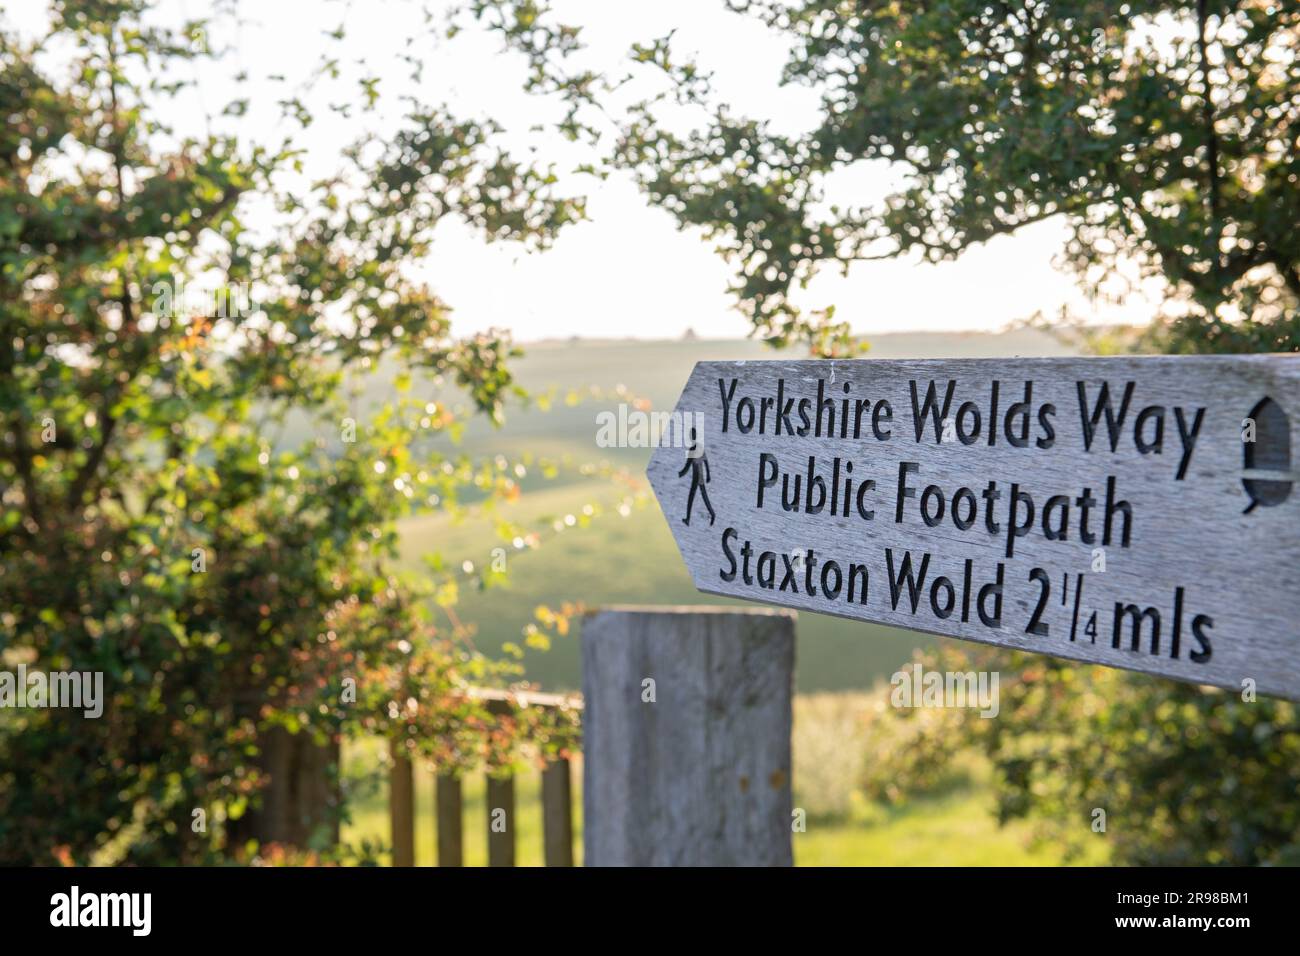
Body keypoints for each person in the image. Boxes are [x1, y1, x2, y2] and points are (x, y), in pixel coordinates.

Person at [678, 427, 715, 526]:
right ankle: (690, 518)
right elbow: (688, 465)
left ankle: (712, 515)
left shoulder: (698, 448)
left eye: (693, 435)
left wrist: (708, 475)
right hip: (696, 477)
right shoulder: (693, 449)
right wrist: (682, 473)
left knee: (698, 497)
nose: (692, 437)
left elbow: (705, 462)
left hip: (698, 478)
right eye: (691, 435)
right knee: (699, 497)